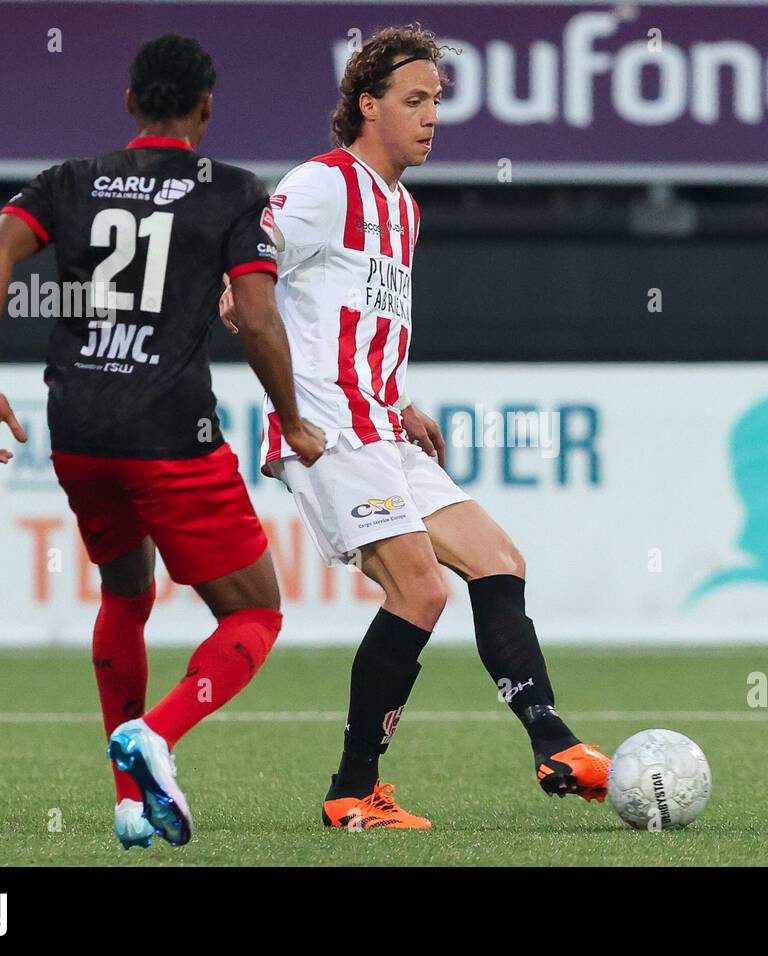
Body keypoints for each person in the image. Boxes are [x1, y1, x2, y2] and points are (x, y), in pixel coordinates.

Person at [221, 24, 609, 830]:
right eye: (415, 100)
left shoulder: (401, 208)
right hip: (328, 433)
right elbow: (242, 290)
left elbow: (348, 319)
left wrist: (394, 401)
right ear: (368, 105)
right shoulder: (325, 185)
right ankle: (351, 790)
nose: (432, 117)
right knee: (421, 590)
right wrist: (292, 410)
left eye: (437, 101)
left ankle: (554, 743)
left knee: (498, 560)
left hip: (380, 426)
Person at [0, 33, 325, 848]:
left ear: (130, 102)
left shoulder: (70, 181)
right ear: (206, 108)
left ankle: (130, 802)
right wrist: (294, 418)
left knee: (126, 596)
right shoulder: (232, 191)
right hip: (170, 436)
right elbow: (259, 317)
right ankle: (156, 735)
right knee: (256, 614)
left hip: (80, 430)